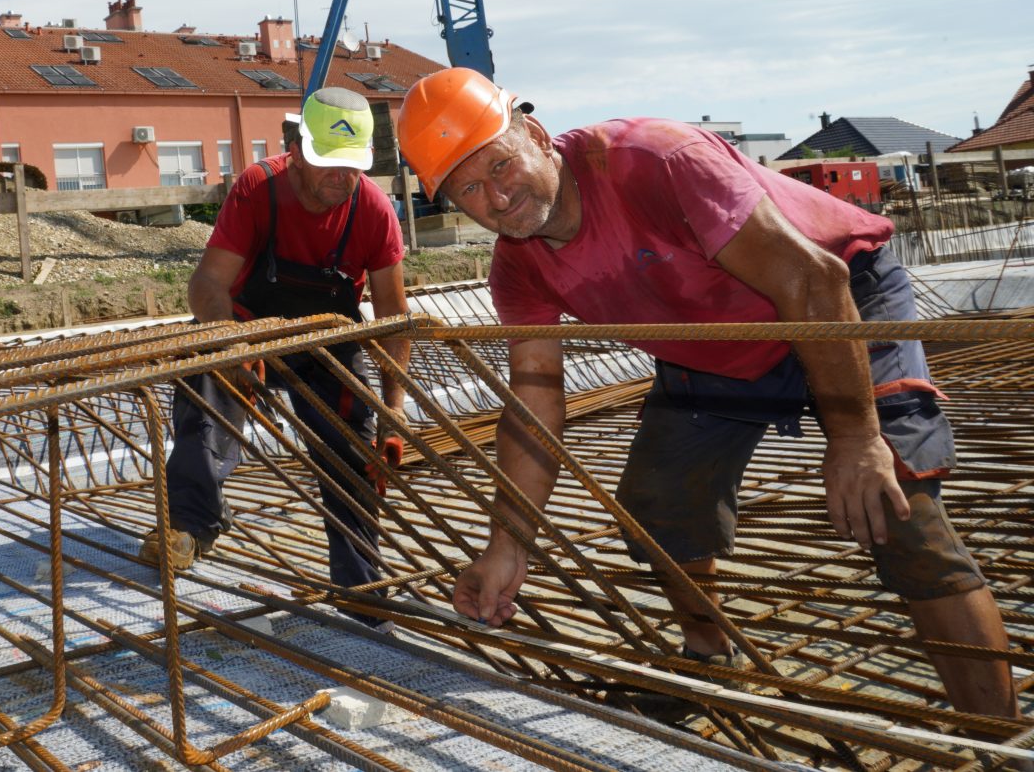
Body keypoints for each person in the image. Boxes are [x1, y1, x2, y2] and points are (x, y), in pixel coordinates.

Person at [394, 66, 1019, 721]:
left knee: (900, 512)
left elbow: (812, 279)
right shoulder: (519, 264)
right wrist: (508, 542)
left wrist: (857, 435)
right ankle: (711, 659)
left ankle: (998, 743)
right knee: (659, 503)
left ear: (536, 134)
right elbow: (534, 402)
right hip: (716, 342)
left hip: (836, 295)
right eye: (466, 188)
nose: (495, 197)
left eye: (498, 165)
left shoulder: (651, 162)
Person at [141, 87, 411, 621]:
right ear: (296, 147)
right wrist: (232, 346)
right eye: (328, 164)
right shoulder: (258, 189)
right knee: (206, 408)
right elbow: (206, 287)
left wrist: (392, 406)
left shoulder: (374, 211)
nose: (342, 177)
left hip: (326, 343)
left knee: (350, 453)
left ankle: (360, 584)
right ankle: (190, 528)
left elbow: (394, 317)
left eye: (352, 167)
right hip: (244, 330)